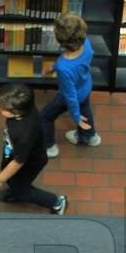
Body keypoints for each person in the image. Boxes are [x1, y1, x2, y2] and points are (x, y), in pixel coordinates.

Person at [0, 84, 66, 215]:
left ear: (17, 112)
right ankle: (15, 191)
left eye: (2, 108)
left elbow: (18, 162)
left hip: (29, 163)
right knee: (13, 181)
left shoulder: (23, 133)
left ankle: (56, 202)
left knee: (21, 188)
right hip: (20, 153)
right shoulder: (27, 109)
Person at [41, 13, 98, 156]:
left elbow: (70, 96)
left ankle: (49, 147)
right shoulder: (86, 43)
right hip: (85, 86)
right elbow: (73, 62)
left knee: (45, 117)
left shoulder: (63, 67)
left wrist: (76, 117)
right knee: (86, 110)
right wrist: (53, 67)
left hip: (73, 95)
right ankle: (90, 136)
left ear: (61, 41)